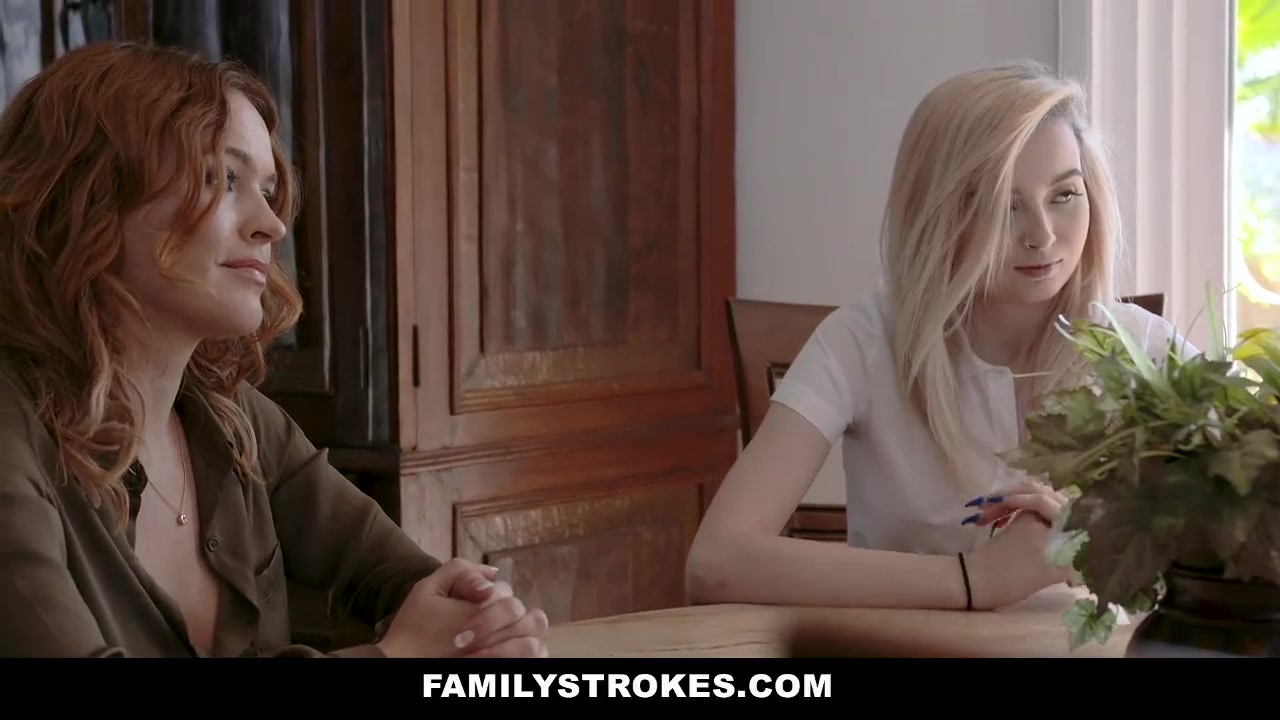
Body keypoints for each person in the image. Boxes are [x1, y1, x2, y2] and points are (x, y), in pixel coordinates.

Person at [0, 41, 549, 658]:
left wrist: (481, 620)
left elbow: (403, 576)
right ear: (86, 198)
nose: (272, 224)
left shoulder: (233, 419)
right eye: (223, 178)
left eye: (266, 189)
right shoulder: (13, 434)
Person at [686, 61, 1197, 612]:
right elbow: (716, 564)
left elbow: (1253, 517)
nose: (1042, 236)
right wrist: (977, 579)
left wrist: (1115, 532)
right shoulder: (858, 343)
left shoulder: (1141, 345)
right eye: (1004, 205)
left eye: (1065, 195)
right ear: (937, 213)